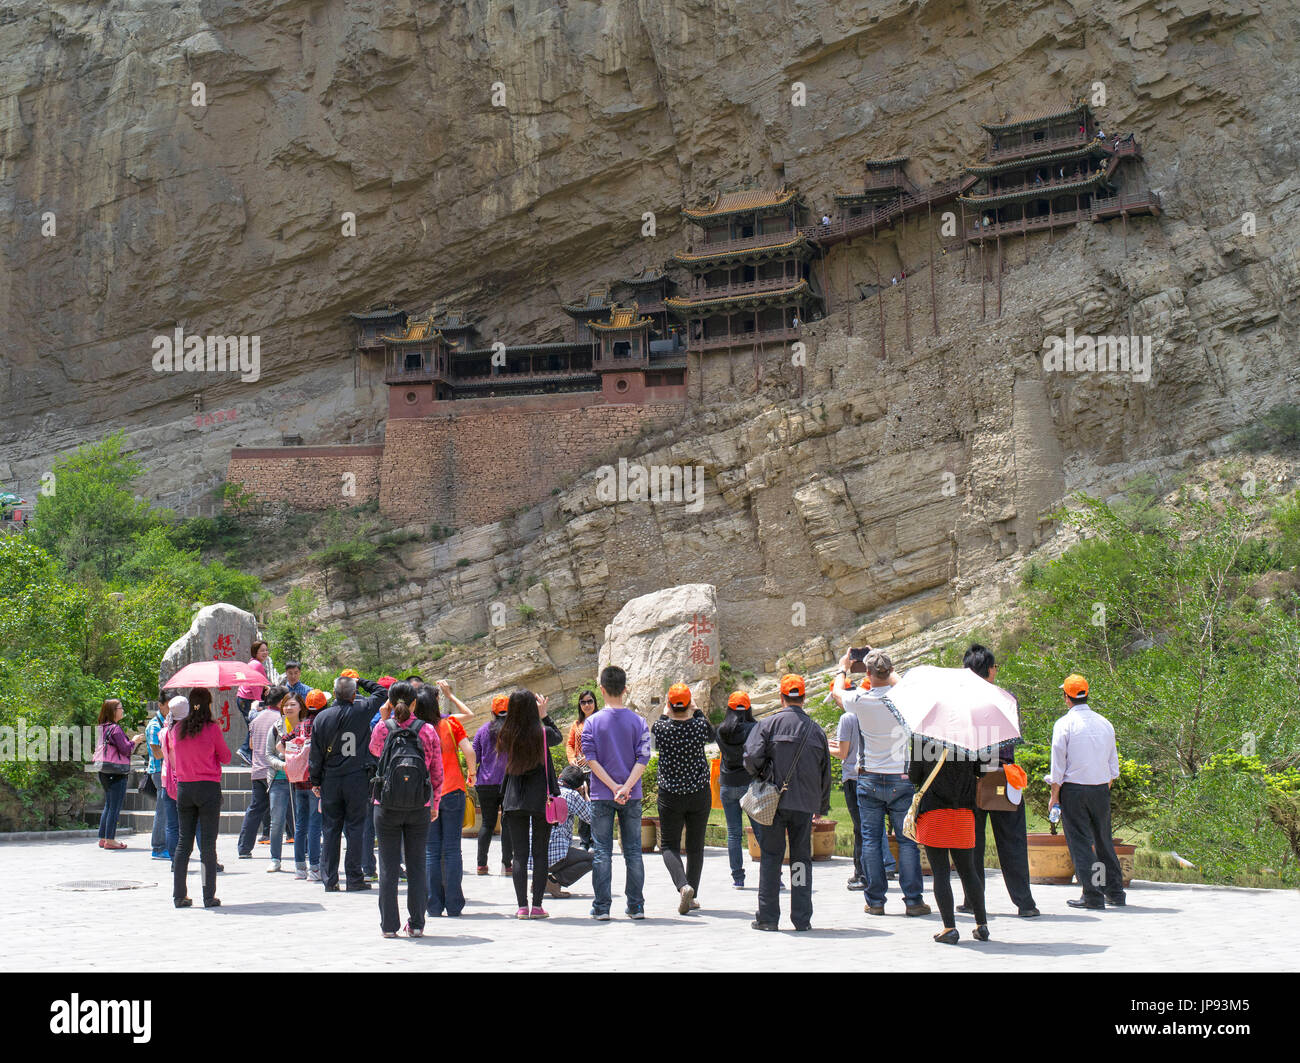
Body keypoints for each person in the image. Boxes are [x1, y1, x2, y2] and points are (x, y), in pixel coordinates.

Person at [830, 648, 931, 918]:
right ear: (890, 671)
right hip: (902, 778)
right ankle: (913, 901)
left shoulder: (861, 700)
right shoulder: (903, 698)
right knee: (908, 841)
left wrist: (843, 667)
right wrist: (887, 666)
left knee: (872, 841)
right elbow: (903, 686)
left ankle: (875, 901)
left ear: (869, 673)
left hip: (870, 778)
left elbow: (838, 693)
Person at [743, 674, 832, 931]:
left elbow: (750, 758)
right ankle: (801, 917)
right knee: (801, 859)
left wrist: (763, 775)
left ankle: (768, 918)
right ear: (803, 698)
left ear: (782, 697)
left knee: (771, 857)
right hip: (804, 805)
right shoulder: (816, 730)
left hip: (774, 802)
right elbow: (825, 772)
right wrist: (820, 807)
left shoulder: (768, 725)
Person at [958, 645, 1039, 917]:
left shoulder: (959, 703)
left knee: (972, 843)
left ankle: (973, 900)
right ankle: (1025, 903)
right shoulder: (1007, 699)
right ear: (990, 669)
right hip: (1003, 775)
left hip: (971, 777)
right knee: (1012, 841)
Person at [368, 681, 442, 938]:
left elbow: (375, 752)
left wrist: (385, 716)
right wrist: (435, 803)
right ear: (414, 703)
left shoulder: (382, 728)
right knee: (417, 865)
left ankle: (389, 926)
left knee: (388, 866)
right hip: (419, 805)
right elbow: (436, 771)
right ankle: (418, 924)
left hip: (386, 805)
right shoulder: (428, 730)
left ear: (389, 701)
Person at [1047, 674, 1125, 910]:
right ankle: (1114, 891)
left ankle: (1092, 894)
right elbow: (1113, 768)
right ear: (1086, 694)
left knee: (1081, 843)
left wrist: (1054, 796)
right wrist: (1101, 788)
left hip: (1074, 790)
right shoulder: (1105, 723)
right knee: (1103, 841)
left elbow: (1058, 767)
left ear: (1066, 698)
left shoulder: (1064, 724)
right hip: (1100, 789)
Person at [581, 665, 651, 921]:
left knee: (601, 851)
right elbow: (643, 758)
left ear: (601, 690)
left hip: (601, 795)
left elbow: (590, 759)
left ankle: (601, 907)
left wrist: (612, 788)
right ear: (625, 689)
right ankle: (636, 906)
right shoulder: (639, 722)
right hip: (631, 796)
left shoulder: (591, 722)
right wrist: (626, 787)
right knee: (633, 851)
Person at [908, 734, 988, 944]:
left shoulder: (923, 737)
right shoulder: (971, 736)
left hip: (935, 812)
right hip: (964, 811)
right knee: (968, 871)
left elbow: (914, 775)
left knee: (941, 873)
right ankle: (982, 925)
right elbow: (981, 771)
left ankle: (949, 928)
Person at [309, 673, 384, 892]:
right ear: (354, 695)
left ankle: (330, 879)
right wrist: (360, 681)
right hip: (356, 778)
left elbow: (315, 754)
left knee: (331, 829)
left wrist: (315, 780)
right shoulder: (361, 711)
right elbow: (382, 692)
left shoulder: (321, 718)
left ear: (333, 693)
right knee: (355, 828)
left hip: (330, 779)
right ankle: (354, 878)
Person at [651, 683, 715, 914]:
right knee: (695, 847)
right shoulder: (698, 727)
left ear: (669, 704)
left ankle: (683, 886)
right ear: (688, 703)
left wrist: (665, 712)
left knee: (669, 845)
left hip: (670, 795)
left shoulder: (661, 728)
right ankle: (693, 894)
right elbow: (712, 733)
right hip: (698, 793)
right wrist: (697, 710)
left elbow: (653, 738)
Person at [498, 689, 563, 918]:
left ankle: (521, 907)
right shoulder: (542, 733)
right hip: (540, 799)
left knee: (519, 855)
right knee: (539, 853)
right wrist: (544, 715)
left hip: (514, 798)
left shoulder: (506, 733)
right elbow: (558, 736)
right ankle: (537, 906)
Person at [829, 680, 897, 890]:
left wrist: (825, 746)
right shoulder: (878, 712)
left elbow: (842, 753)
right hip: (877, 774)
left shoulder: (848, 717)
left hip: (853, 776)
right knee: (873, 829)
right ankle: (880, 869)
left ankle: (863, 874)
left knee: (862, 830)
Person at [167, 689, 231, 908]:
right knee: (207, 845)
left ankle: (179, 895)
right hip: (208, 788)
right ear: (207, 705)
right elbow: (226, 756)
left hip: (185, 788)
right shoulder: (212, 729)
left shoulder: (176, 730)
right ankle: (208, 895)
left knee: (184, 843)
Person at [418, 685, 477, 916]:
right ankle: (454, 904)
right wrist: (471, 774)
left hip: (426, 794)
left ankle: (433, 904)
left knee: (432, 850)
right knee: (452, 849)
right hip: (453, 790)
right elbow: (469, 752)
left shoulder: (416, 729)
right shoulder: (450, 724)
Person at [715, 691, 765, 889]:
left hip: (727, 784)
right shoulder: (755, 728)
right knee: (761, 831)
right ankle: (772, 875)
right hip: (749, 784)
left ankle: (738, 877)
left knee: (733, 833)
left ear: (729, 709)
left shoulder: (720, 731)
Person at [237, 685, 286, 860]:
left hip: (258, 769)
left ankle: (244, 848)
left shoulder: (255, 719)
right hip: (277, 771)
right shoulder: (282, 719)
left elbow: (250, 745)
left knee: (255, 809)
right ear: (281, 702)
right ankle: (300, 846)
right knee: (286, 810)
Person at [472, 694, 514, 875]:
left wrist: (472, 775)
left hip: (485, 783)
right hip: (508, 782)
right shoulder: (514, 732)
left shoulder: (482, 731)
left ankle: (481, 864)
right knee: (507, 823)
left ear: (492, 712)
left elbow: (473, 754)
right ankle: (508, 864)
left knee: (487, 824)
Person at [290, 689, 328, 880]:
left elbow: (283, 743)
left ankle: (299, 868)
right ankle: (314, 868)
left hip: (298, 782)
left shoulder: (301, 725)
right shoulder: (322, 725)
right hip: (315, 783)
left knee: (300, 825)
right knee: (315, 824)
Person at [261, 689, 299, 873]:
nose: (289, 708)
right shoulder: (276, 727)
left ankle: (304, 856)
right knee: (276, 820)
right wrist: (283, 765)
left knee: (301, 820)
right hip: (279, 779)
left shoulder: (306, 726)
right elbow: (267, 755)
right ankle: (275, 857)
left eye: (293, 704)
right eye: (286, 705)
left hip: (301, 780)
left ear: (301, 707)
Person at [546, 766, 595, 897]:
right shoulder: (571, 795)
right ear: (578, 785)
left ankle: (539, 881)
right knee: (596, 859)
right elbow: (591, 818)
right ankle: (554, 881)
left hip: (532, 855)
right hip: (555, 856)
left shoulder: (545, 790)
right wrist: (585, 795)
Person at [94, 698, 136, 850]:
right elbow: (126, 749)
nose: (122, 710)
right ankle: (110, 840)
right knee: (114, 806)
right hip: (116, 771)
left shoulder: (102, 727)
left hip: (104, 770)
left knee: (109, 804)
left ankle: (103, 837)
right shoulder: (115, 729)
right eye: (120, 707)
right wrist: (134, 741)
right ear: (113, 711)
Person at [565, 690, 600, 849]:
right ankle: (584, 841)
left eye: (590, 701)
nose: (587, 705)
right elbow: (570, 744)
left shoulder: (601, 721)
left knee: (595, 805)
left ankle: (595, 841)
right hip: (580, 771)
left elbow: (606, 744)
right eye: (583, 702)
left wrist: (592, 756)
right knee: (581, 805)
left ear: (595, 702)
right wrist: (572, 759)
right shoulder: (576, 724)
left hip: (597, 770)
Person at [145, 698, 173, 860]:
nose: (170, 709)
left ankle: (165, 845)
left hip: (165, 770)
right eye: (168, 705)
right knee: (162, 810)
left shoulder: (166, 723)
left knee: (167, 810)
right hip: (158, 771)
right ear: (161, 705)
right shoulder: (155, 725)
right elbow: (156, 752)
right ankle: (158, 847)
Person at [235, 640, 271, 765]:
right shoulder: (257, 665)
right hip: (249, 700)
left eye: (266, 650)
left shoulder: (253, 663)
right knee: (254, 727)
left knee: (253, 727)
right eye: (262, 650)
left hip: (243, 699)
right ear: (255, 652)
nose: (265, 652)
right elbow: (255, 685)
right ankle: (245, 750)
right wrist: (259, 703)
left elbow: (259, 682)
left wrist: (266, 687)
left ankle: (247, 758)